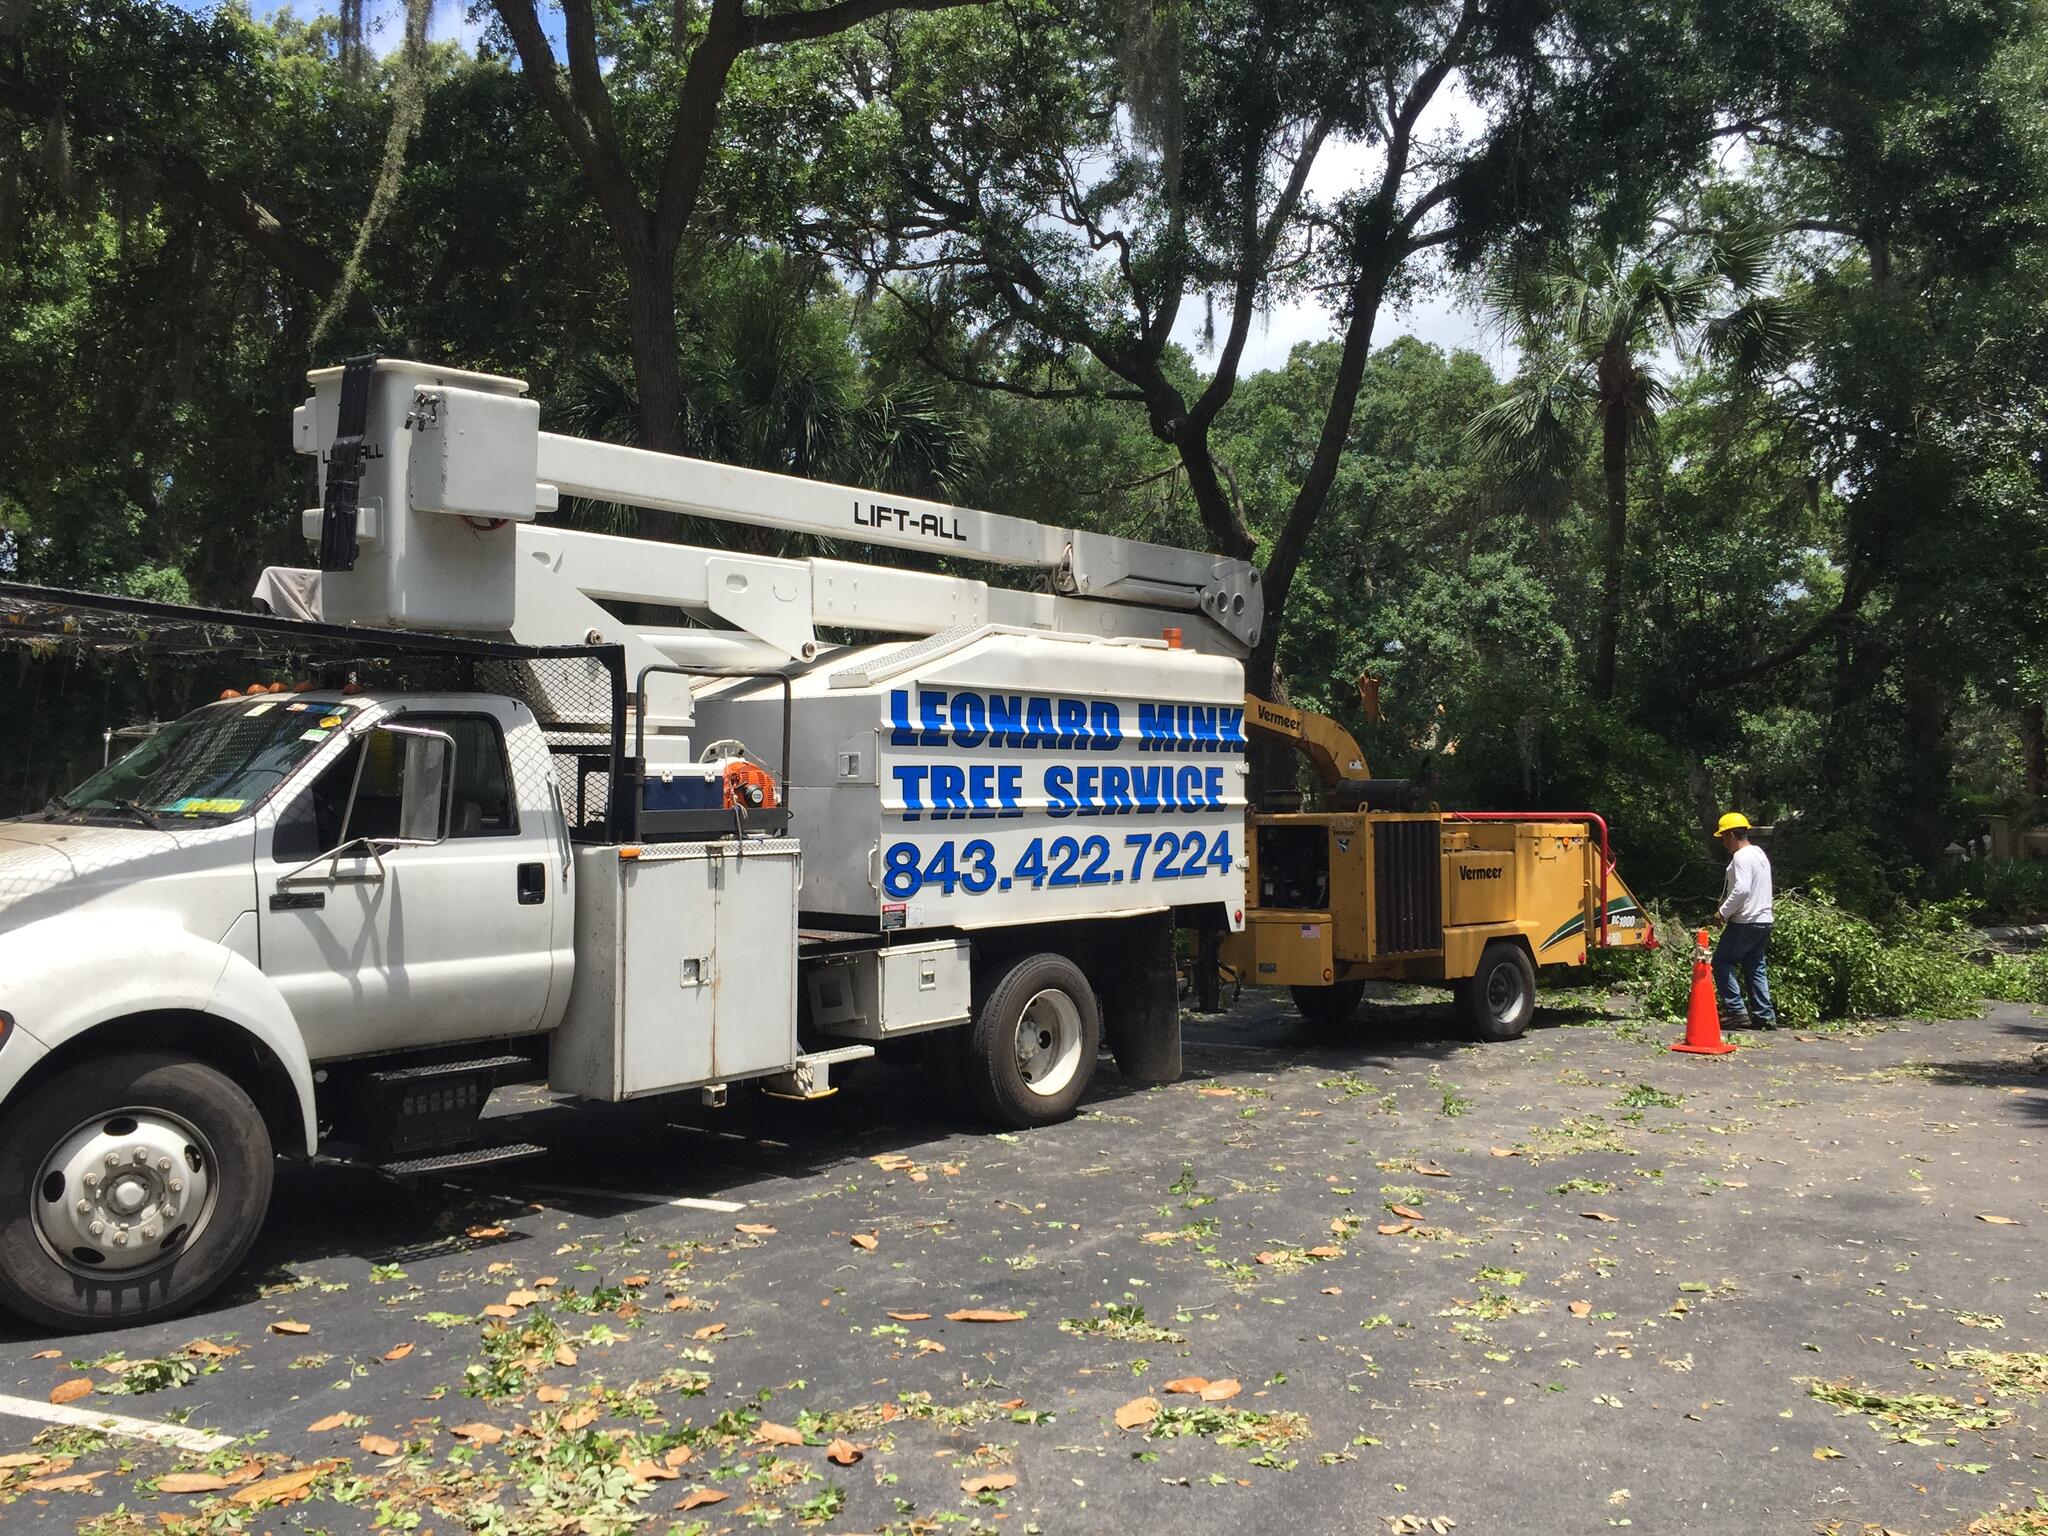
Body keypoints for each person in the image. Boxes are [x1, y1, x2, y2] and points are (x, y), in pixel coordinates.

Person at [1709, 812, 1775, 1029]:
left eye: (1723, 838)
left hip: (1746, 921)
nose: (1723, 843)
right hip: (1764, 920)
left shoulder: (1741, 857)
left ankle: (1737, 1012)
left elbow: (1742, 889)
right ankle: (1764, 1016)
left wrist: (1722, 913)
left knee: (1721, 961)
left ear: (1730, 835)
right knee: (1755, 965)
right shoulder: (1759, 854)